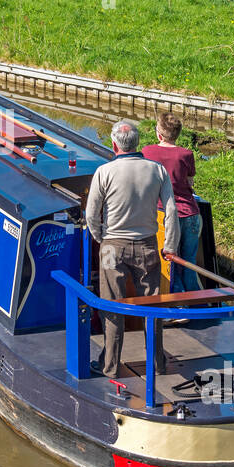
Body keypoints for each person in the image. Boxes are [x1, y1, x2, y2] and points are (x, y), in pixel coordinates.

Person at [85, 120, 180, 378]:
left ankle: (111, 366)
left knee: (111, 305)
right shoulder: (157, 170)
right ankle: (158, 363)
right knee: (152, 308)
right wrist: (169, 245)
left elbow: (91, 214)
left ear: (114, 144)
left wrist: (100, 238)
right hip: (148, 244)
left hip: (111, 248)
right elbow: (171, 211)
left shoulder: (104, 172)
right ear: (137, 142)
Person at [142, 112, 201, 294]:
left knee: (168, 260)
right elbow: (189, 182)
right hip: (190, 213)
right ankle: (196, 301)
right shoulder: (186, 154)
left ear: (158, 133)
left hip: (164, 214)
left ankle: (178, 301)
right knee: (189, 261)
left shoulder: (147, 151)